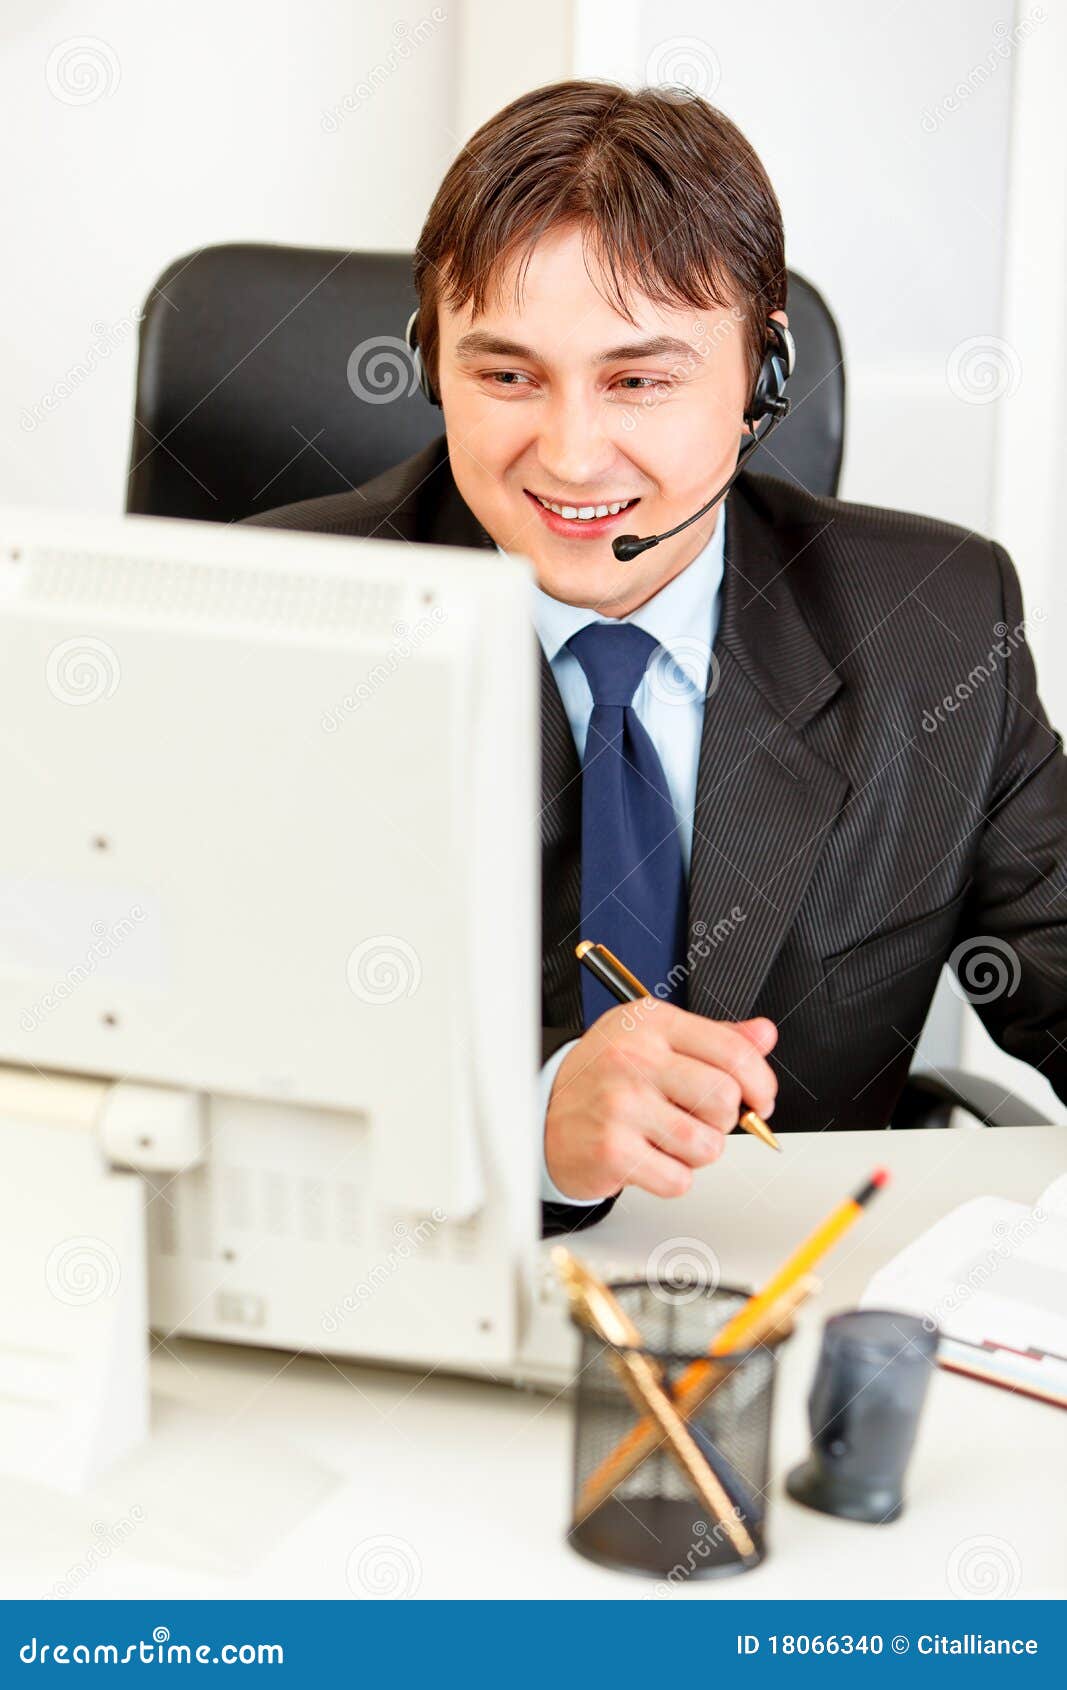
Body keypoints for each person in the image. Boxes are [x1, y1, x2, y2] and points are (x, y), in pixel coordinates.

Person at [244, 80, 1067, 1235]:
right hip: (378, 1284)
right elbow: (190, 1009)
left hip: (773, 1313)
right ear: (433, 366)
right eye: (506, 375)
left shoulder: (932, 625)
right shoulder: (274, 616)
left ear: (760, 381)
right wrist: (524, 1109)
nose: (573, 457)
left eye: (639, 379)